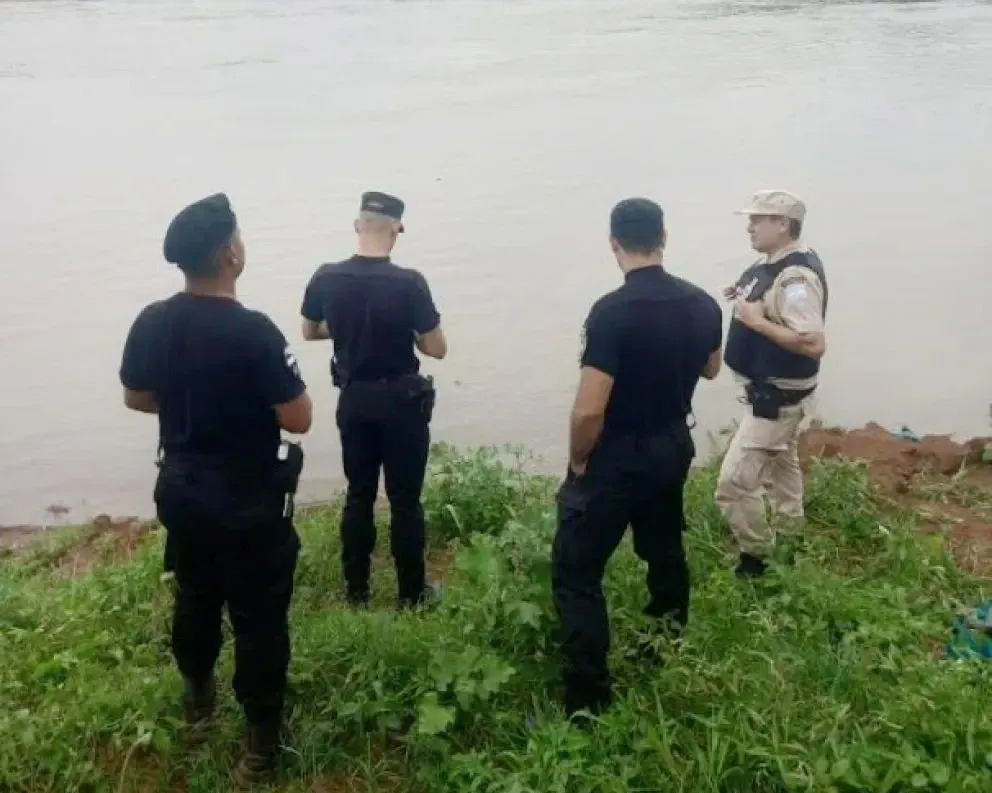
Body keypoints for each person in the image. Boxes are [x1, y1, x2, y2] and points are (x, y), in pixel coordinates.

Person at [118, 193, 313, 787]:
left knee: (196, 597)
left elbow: (136, 396)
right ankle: (259, 748)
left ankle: (197, 705)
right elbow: (298, 417)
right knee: (258, 621)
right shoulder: (254, 332)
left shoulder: (153, 320)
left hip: (181, 491)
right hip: (249, 501)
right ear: (230, 253)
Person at [551, 197, 723, 719]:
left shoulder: (611, 312)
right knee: (664, 552)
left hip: (616, 454)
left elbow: (588, 410)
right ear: (663, 237)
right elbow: (712, 369)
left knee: (576, 571)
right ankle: (662, 649)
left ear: (613, 243)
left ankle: (588, 701)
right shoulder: (703, 303)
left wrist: (578, 461)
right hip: (671, 444)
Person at [300, 191, 446, 610]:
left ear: (356, 224)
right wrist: (408, 330)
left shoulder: (326, 277)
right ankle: (412, 595)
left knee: (358, 495)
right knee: (404, 501)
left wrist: (348, 330)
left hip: (355, 400)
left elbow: (310, 331)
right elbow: (436, 348)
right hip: (402, 402)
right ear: (397, 229)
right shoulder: (409, 282)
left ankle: (357, 594)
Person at [715, 189, 828, 579]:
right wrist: (745, 293)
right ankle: (792, 534)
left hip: (776, 401)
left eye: (757, 219)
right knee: (783, 461)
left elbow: (814, 342)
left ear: (783, 224)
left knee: (732, 484)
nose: (749, 226)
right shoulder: (776, 265)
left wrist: (757, 322)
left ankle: (756, 560)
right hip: (775, 396)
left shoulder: (796, 279)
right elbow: (769, 294)